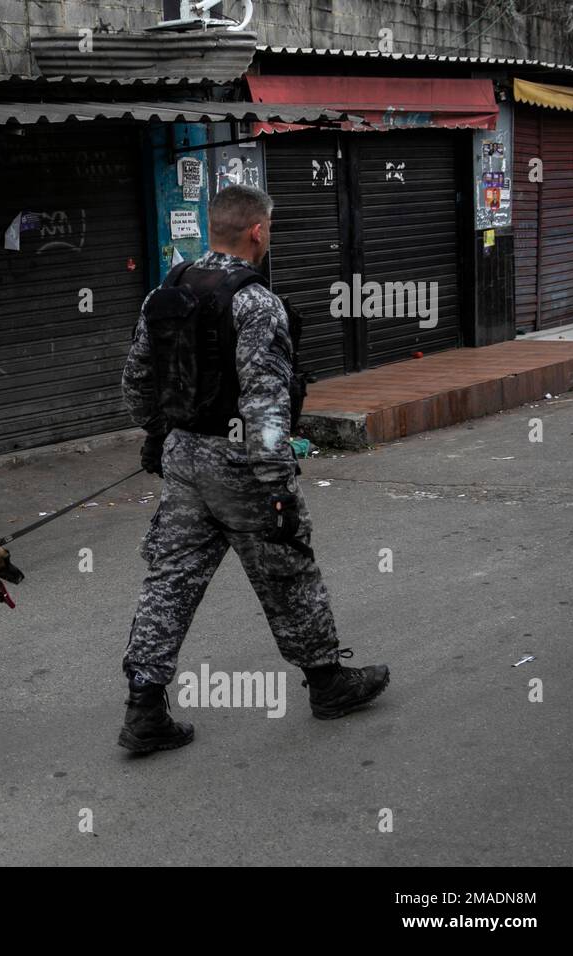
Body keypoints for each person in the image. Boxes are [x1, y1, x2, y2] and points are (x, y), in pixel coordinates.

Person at [118, 184, 390, 753]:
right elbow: (266, 406)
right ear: (257, 231)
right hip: (240, 465)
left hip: (184, 459)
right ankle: (327, 682)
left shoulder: (165, 290)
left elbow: (137, 382)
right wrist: (278, 492)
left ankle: (144, 708)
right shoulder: (256, 302)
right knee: (288, 569)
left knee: (169, 581)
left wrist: (158, 433)